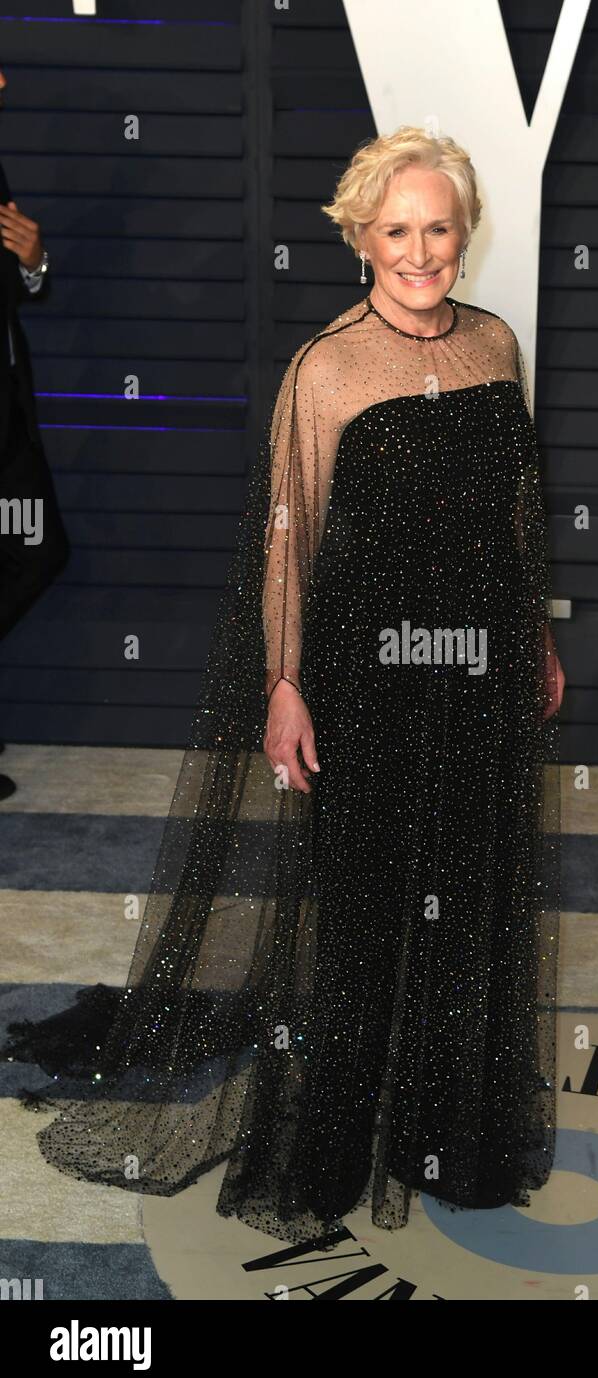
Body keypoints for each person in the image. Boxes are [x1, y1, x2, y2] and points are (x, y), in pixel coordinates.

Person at [9, 127, 563, 1244]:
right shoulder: (324, 369)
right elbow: (286, 538)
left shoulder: (497, 346)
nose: (419, 251)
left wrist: (534, 637)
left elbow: (516, 517)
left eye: (438, 227)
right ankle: (334, 1140)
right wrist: (283, 682)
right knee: (359, 918)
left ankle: (444, 1125)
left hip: (483, 672)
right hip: (365, 679)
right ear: (361, 238)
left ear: (464, 233)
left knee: (469, 899)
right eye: (395, 230)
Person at [0, 65, 65, 800]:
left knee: (37, 549)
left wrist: (34, 261)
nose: (5, 81)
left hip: (8, 415)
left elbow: (15, 285)